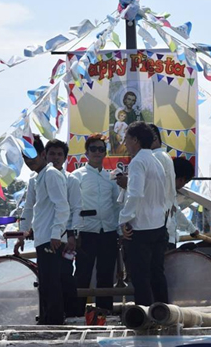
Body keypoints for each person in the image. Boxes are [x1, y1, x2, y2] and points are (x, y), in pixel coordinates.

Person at [14, 135, 71, 325]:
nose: (30, 162)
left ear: (43, 154)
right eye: (26, 158)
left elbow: (63, 207)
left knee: (52, 283)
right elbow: (28, 209)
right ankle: (48, 319)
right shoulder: (36, 178)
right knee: (45, 283)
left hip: (51, 238)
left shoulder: (52, 174)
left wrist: (56, 234)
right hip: (41, 237)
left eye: (33, 156)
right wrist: (22, 234)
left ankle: (55, 321)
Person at [67, 134, 120, 313]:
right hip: (86, 232)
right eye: (93, 149)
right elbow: (71, 206)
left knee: (106, 275)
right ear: (86, 153)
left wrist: (120, 230)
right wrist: (72, 233)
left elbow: (117, 205)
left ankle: (104, 314)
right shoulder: (76, 176)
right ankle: (76, 313)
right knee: (83, 274)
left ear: (105, 153)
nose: (97, 152)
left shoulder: (111, 178)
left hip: (109, 231)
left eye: (101, 149)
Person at [119, 121, 168, 307]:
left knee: (140, 277)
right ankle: (165, 314)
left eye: (127, 139)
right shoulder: (156, 161)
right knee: (157, 274)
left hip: (140, 228)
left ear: (135, 140)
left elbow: (135, 194)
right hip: (158, 224)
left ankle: (145, 319)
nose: (125, 143)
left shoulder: (138, 161)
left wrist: (123, 220)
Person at [42, 138, 80, 317]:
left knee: (65, 275)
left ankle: (73, 313)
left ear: (65, 158)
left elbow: (74, 209)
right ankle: (53, 313)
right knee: (49, 277)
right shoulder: (40, 177)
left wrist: (72, 235)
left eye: (59, 154)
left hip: (65, 236)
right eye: (52, 154)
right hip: (46, 236)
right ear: (45, 155)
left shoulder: (70, 180)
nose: (55, 158)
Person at [148, 124, 177, 249]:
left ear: (154, 138)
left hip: (155, 227)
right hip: (163, 225)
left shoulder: (155, 157)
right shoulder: (165, 157)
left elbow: (148, 190)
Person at [170, 157, 199, 249]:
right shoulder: (167, 192)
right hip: (163, 240)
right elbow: (176, 212)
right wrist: (192, 229)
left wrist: (191, 229)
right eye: (185, 182)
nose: (183, 185)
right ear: (181, 180)